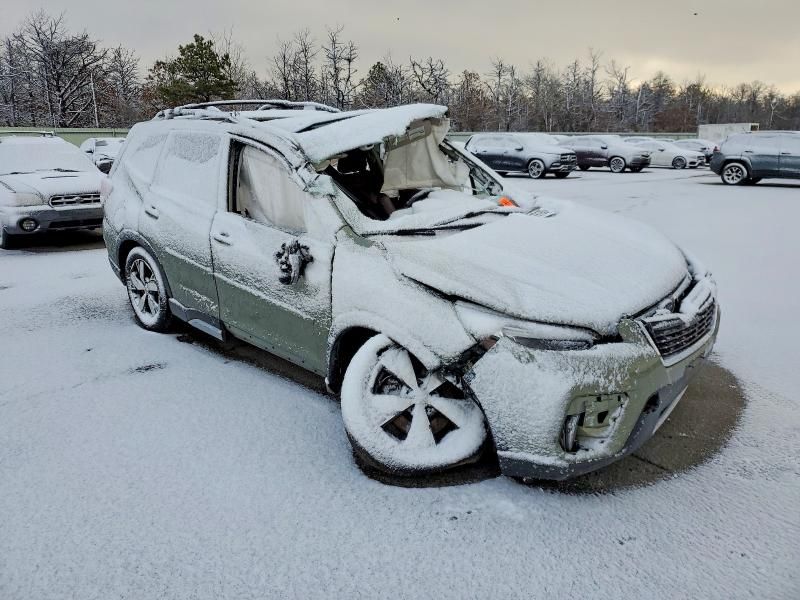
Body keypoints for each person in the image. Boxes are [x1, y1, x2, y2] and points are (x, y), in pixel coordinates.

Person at [327, 147, 397, 220]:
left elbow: (335, 176)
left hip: (354, 176)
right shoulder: (379, 184)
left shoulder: (354, 189)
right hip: (361, 154)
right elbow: (375, 166)